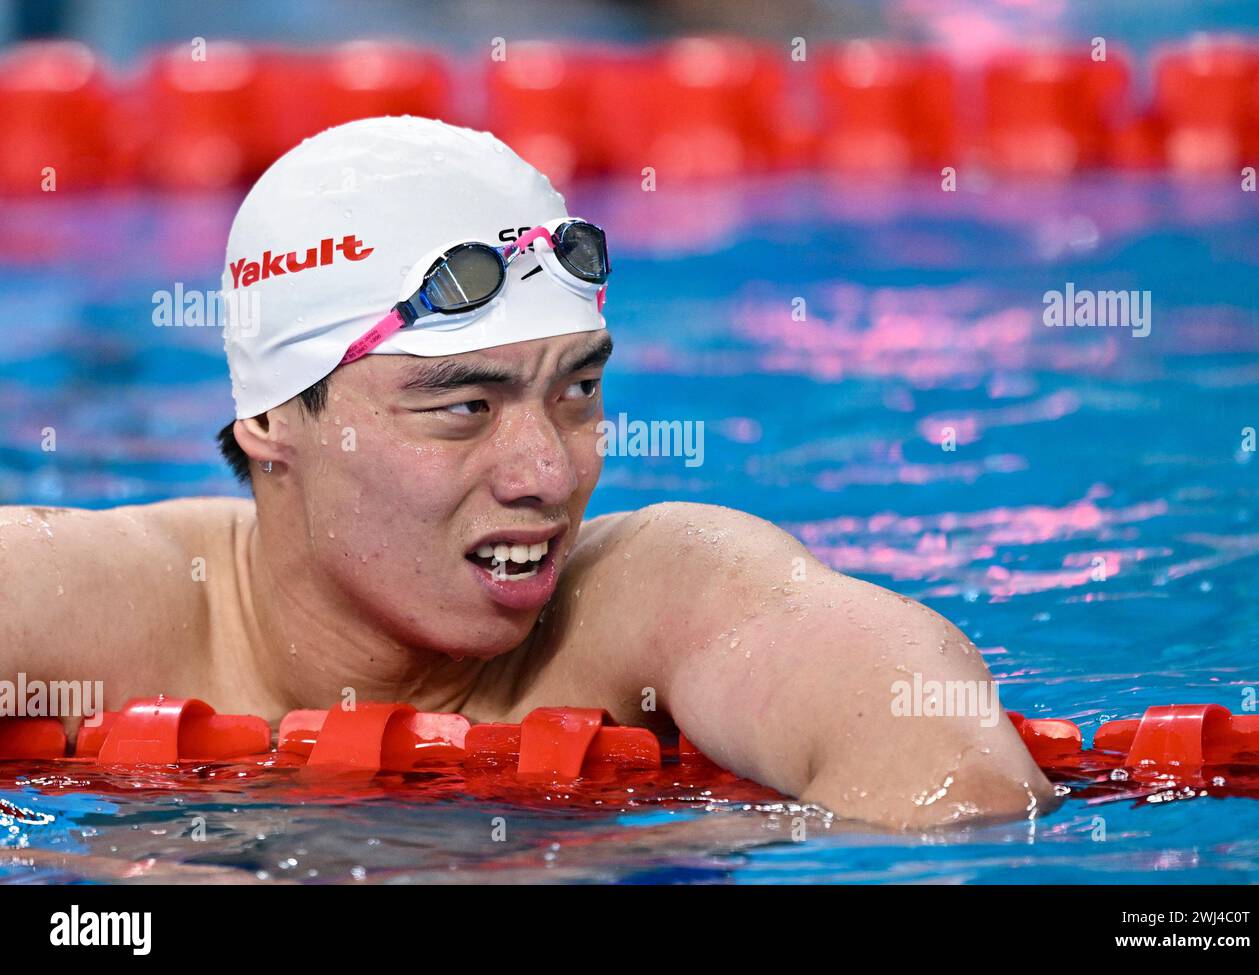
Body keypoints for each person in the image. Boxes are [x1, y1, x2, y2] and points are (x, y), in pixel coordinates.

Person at [0, 117, 1054, 829]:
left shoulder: (659, 594)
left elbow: (955, 784)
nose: (548, 473)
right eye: (464, 406)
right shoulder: (76, 604)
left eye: (576, 392)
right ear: (275, 416)